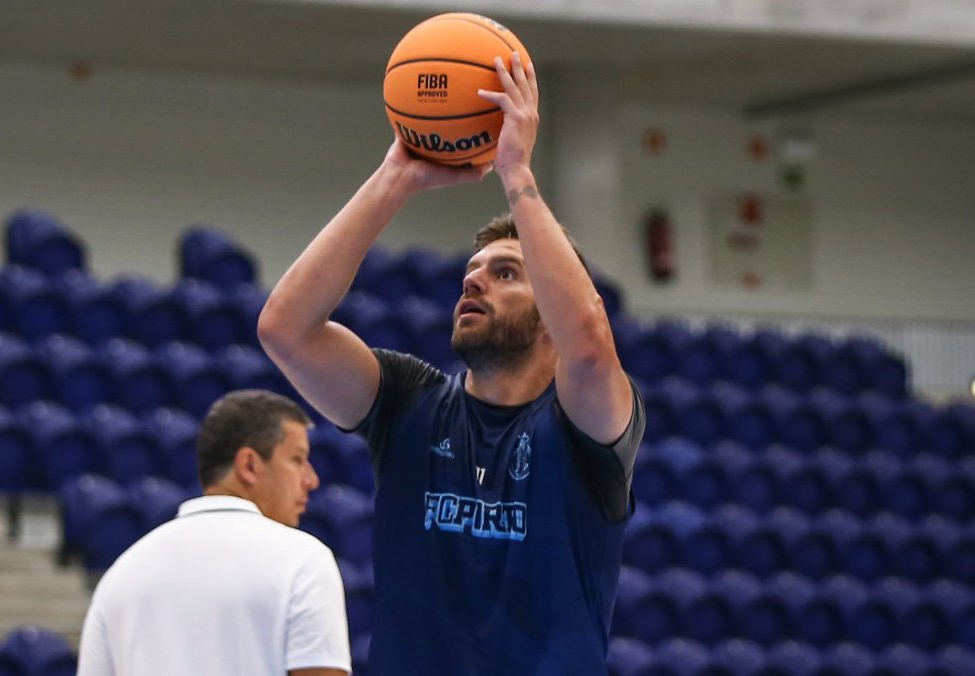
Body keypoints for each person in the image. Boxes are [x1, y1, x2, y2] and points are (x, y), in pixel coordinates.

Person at [257, 52, 644, 675]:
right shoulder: (409, 400)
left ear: (549, 307)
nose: (474, 284)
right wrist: (395, 178)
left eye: (505, 273)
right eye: (470, 274)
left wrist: (516, 172)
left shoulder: (585, 428)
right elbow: (285, 329)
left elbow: (593, 344)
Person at [76, 389, 351, 676]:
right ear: (249, 465)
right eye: (297, 459)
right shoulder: (304, 561)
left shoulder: (121, 575)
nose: (312, 479)